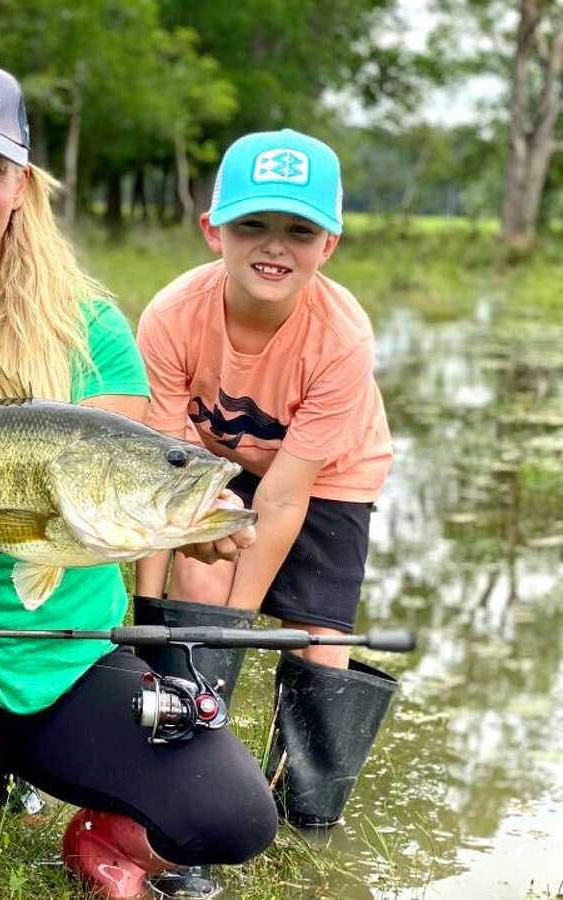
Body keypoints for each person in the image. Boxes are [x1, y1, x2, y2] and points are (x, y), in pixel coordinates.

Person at [0, 58, 276, 899]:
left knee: (233, 819)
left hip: (68, 658)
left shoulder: (94, 328)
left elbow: (108, 487)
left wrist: (197, 520)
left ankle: (99, 835)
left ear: (22, 185)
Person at [134, 129, 398, 828]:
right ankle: (183, 757)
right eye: (252, 224)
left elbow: (284, 495)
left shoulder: (341, 336)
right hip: (211, 465)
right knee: (195, 576)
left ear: (329, 245)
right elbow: (161, 482)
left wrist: (239, 624)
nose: (274, 246)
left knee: (317, 633)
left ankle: (307, 810)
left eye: (299, 230)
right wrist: (147, 616)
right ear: (212, 230)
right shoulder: (169, 316)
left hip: (329, 474)